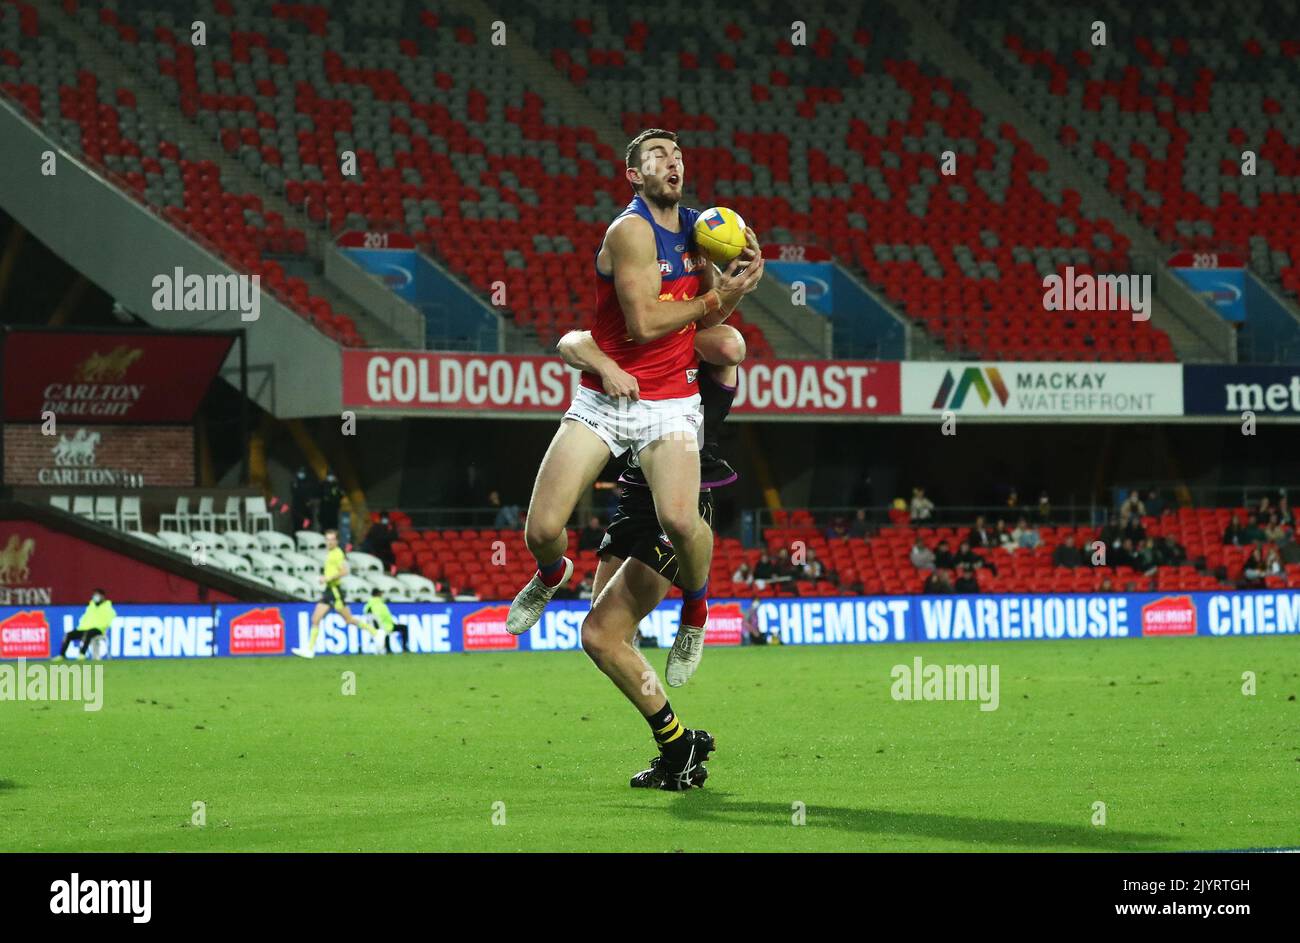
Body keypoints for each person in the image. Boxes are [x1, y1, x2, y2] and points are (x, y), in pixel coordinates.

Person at [504, 128, 764, 695]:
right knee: (543, 529)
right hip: (606, 398)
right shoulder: (629, 231)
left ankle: (695, 613)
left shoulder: (704, 231)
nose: (671, 162)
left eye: (676, 154)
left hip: (670, 402)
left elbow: (710, 325)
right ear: (634, 175)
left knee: (678, 519)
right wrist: (716, 299)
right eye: (656, 156)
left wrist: (738, 286)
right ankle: (551, 574)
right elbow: (645, 324)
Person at [569, 322, 746, 790]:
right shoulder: (639, 345)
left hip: (683, 499)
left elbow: (729, 344)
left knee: (599, 636)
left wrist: (683, 315)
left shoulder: (706, 353)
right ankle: (680, 748)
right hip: (633, 496)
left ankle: (678, 747)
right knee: (606, 639)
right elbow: (573, 341)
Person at [292, 529, 384, 658]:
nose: (329, 542)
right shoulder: (330, 553)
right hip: (329, 591)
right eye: (327, 539)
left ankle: (375, 632)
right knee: (317, 618)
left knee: (347, 619)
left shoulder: (337, 553)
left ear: (336, 541)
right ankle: (309, 650)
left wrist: (327, 579)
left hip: (335, 591)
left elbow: (344, 571)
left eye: (332, 539)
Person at [59, 588, 115, 659]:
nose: (95, 597)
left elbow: (108, 620)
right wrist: (81, 627)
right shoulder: (91, 607)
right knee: (69, 634)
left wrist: (102, 627)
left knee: (88, 634)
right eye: (94, 595)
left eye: (97, 595)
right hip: (84, 628)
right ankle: (61, 655)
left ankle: (82, 654)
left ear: (102, 596)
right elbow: (85, 619)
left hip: (98, 629)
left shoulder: (108, 608)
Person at [363, 589, 409, 654]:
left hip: (380, 626)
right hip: (384, 626)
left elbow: (368, 616)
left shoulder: (368, 605)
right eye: (380, 593)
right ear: (378, 594)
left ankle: (389, 650)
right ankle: (403, 648)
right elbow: (382, 616)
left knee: (389, 631)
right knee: (403, 628)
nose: (382, 595)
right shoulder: (380, 604)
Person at [290, 466, 318, 531]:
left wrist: (308, 502)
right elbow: (296, 492)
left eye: (302, 472)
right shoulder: (295, 482)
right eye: (300, 472)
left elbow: (310, 493)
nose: (301, 474)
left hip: (306, 509)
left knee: (306, 526)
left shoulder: (308, 483)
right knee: (297, 527)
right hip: (297, 509)